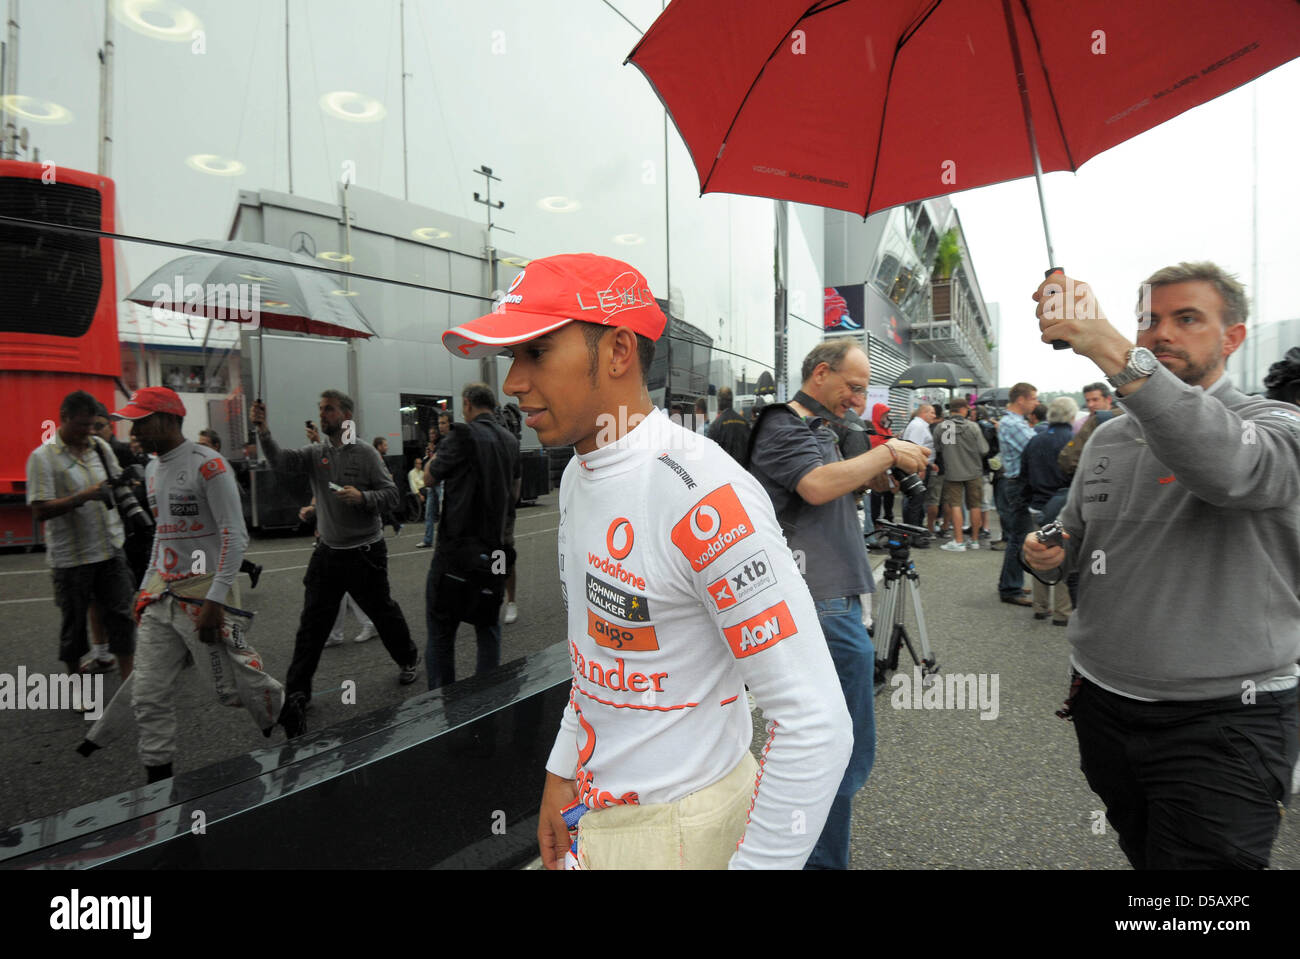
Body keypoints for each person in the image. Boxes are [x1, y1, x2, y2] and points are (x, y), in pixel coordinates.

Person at [443, 252, 852, 870]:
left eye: (536, 354)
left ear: (616, 351)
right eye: (511, 359)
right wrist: (563, 769)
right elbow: (596, 658)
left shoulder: (703, 495)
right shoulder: (582, 474)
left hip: (684, 832)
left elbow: (817, 721)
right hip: (600, 819)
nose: (513, 383)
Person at [1024, 261, 1300, 868]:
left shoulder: (1275, 425)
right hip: (1104, 705)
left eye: (1188, 318)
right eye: (1148, 320)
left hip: (1226, 720)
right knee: (1148, 859)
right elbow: (1071, 542)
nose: (1161, 333)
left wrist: (1108, 346)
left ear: (1233, 338)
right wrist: (1047, 555)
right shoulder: (1107, 438)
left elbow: (1230, 471)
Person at [748, 337, 930, 869]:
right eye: (853, 387)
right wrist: (888, 450)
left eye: (863, 389)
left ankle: (811, 855)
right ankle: (818, 861)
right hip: (820, 602)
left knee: (834, 743)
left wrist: (876, 472)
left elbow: (827, 489)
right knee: (835, 749)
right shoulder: (782, 422)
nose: (857, 398)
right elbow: (816, 486)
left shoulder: (815, 428)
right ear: (821, 374)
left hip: (831, 598)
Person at [111, 387, 283, 782]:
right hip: (163, 594)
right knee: (147, 696)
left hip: (206, 594)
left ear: (170, 419)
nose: (134, 429)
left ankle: (289, 717)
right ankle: (159, 792)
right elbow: (162, 534)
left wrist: (215, 599)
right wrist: (144, 586)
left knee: (243, 688)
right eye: (132, 421)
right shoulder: (153, 469)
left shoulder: (210, 465)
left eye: (142, 420)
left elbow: (235, 537)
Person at [251, 389, 420, 738]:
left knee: (382, 611)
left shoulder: (367, 453)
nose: (322, 414)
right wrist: (263, 430)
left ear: (345, 416)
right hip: (328, 552)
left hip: (365, 552)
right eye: (321, 409)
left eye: (328, 409)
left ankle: (408, 659)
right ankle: (298, 693)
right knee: (312, 625)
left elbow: (392, 495)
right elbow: (280, 462)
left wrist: (363, 497)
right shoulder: (316, 453)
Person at [27, 391, 137, 682]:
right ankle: (75, 683)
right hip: (71, 558)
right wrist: (83, 496)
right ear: (63, 419)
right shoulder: (43, 457)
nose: (88, 432)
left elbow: (115, 483)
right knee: (74, 626)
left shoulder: (99, 447)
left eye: (92, 425)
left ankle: (130, 682)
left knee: (122, 618)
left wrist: (126, 482)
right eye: (81, 426)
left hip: (109, 549)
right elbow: (40, 510)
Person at [422, 383, 520, 688]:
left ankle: (443, 704)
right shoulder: (511, 441)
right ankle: (486, 703)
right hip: (498, 549)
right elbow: (514, 493)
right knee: (488, 626)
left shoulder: (461, 435)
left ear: (467, 404)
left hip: (457, 550)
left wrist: (431, 457)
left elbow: (428, 477)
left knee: (441, 630)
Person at [1020, 396, 1077, 625]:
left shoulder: (1036, 440)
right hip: (1065, 507)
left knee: (1039, 555)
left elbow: (1023, 475)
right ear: (1072, 417)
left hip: (1039, 507)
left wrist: (1025, 502)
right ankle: (1063, 612)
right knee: (1063, 557)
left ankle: (1040, 605)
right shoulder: (1075, 442)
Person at [993, 381, 1038, 606]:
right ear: (1021, 399)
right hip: (1018, 483)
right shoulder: (1014, 424)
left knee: (1018, 536)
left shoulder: (1013, 422)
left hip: (1014, 482)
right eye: (1033, 398)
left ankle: (1013, 583)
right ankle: (1010, 588)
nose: (1036, 403)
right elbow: (1036, 448)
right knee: (1018, 538)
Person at [935, 397, 988, 552]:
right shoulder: (973, 427)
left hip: (953, 472)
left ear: (950, 410)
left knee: (955, 505)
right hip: (974, 472)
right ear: (964, 409)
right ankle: (975, 540)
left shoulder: (945, 427)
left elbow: (940, 448)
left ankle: (958, 541)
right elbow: (983, 450)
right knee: (975, 505)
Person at [899, 403, 937, 540]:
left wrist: (930, 464)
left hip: (921, 466)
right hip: (917, 468)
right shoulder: (918, 426)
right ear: (924, 413)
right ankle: (912, 534)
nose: (934, 415)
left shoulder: (920, 425)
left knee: (915, 501)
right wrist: (920, 469)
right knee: (914, 502)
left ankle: (913, 531)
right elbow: (914, 448)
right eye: (932, 412)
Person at [706, 386, 751, 467]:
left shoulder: (716, 425)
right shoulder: (744, 423)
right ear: (731, 401)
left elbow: (710, 456)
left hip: (725, 474)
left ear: (719, 401)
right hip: (743, 473)